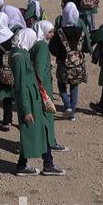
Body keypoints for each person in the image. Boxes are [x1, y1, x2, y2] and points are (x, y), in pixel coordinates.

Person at [11, 28, 66, 176]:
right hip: (29, 101)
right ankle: (26, 165)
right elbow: (22, 86)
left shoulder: (21, 54)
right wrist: (27, 110)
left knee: (40, 130)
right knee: (32, 133)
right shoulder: (20, 58)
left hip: (33, 99)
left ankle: (47, 163)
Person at [50, 2, 91, 121]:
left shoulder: (59, 32)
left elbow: (52, 49)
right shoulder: (81, 31)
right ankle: (72, 113)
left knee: (61, 84)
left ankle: (67, 105)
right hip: (78, 65)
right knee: (74, 86)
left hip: (63, 63)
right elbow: (86, 46)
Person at [32, 20, 67, 152]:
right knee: (48, 114)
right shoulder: (42, 47)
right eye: (50, 32)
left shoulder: (36, 43)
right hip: (43, 86)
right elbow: (40, 69)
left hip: (41, 85)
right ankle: (49, 142)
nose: (52, 35)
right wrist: (41, 88)